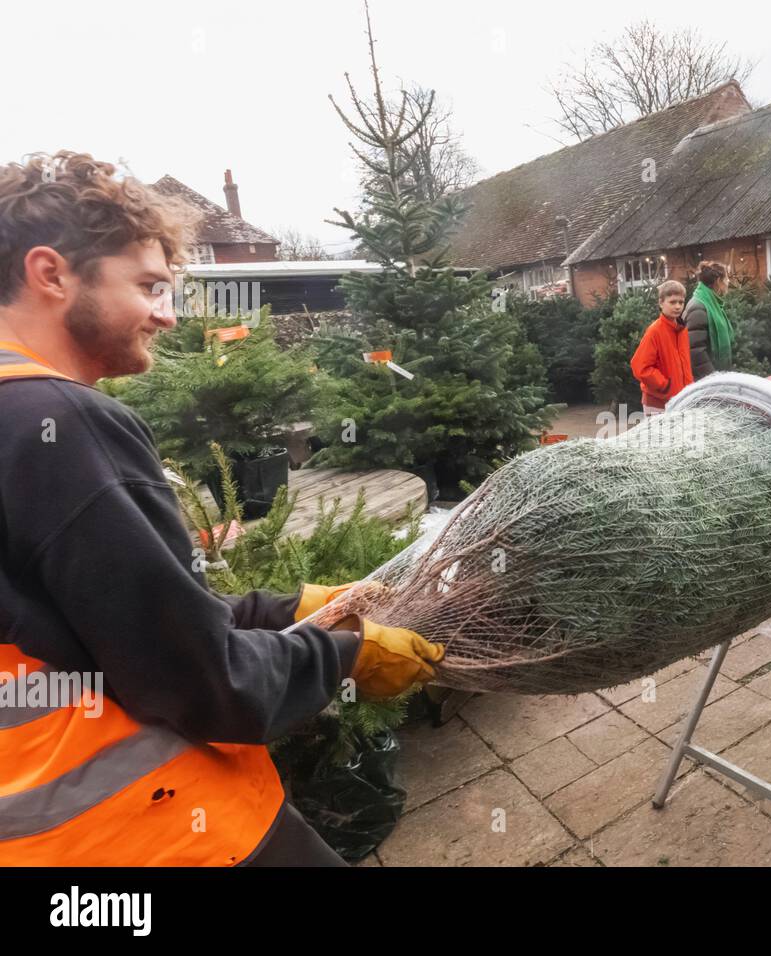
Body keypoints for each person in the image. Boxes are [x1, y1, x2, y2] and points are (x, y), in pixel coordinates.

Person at [0, 151, 443, 866]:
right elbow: (201, 679)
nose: (168, 316)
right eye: (148, 287)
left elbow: (114, 630)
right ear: (51, 274)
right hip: (152, 830)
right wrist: (346, 654)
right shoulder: (54, 420)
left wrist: (293, 605)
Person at [630, 279, 693, 415]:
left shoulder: (682, 331)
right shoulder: (655, 331)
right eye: (672, 302)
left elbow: (684, 365)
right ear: (661, 303)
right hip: (658, 404)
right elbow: (640, 367)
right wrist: (665, 385)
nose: (677, 306)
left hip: (681, 400)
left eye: (681, 302)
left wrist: (689, 389)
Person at [684, 260, 735, 379]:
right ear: (718, 281)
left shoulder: (712, 303)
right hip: (706, 382)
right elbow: (696, 350)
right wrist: (713, 378)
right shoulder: (698, 307)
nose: (728, 282)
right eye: (726, 279)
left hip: (715, 378)